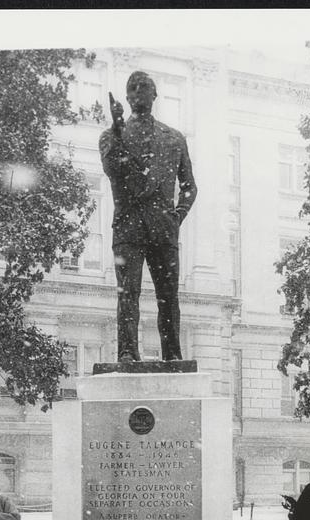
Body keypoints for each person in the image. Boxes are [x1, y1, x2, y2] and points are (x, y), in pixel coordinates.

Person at [99, 70, 197, 362]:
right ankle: (128, 352)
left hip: (164, 229)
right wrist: (117, 129)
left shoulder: (175, 139)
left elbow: (189, 186)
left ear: (155, 96)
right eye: (133, 88)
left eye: (145, 88)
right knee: (127, 295)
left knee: (169, 297)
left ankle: (172, 354)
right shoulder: (111, 136)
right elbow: (112, 169)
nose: (139, 92)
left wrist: (176, 217)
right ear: (126, 97)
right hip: (128, 228)